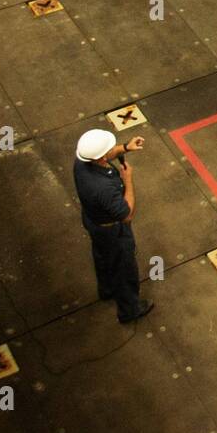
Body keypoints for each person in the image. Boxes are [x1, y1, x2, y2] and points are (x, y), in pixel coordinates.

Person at [73, 129, 154, 324]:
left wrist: (125, 147)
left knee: (102, 257)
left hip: (94, 222)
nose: (113, 150)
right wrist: (128, 180)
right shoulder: (103, 188)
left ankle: (106, 289)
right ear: (101, 158)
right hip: (112, 231)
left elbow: (104, 155)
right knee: (124, 270)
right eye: (110, 149)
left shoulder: (81, 164)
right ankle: (129, 310)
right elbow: (127, 214)